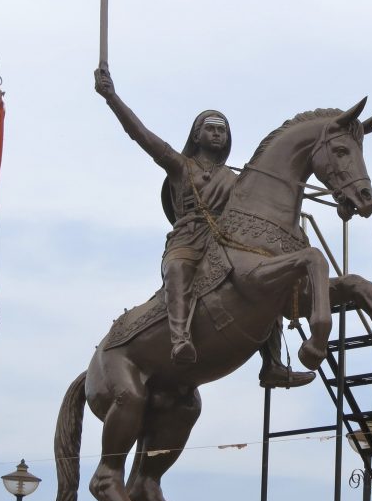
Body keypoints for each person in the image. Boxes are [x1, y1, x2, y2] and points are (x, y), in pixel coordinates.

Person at [95, 67, 314, 387]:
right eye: (210, 129)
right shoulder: (180, 165)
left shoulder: (236, 180)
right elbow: (141, 135)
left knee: (266, 282)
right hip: (187, 239)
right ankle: (180, 338)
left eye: (222, 130)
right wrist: (112, 98)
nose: (217, 134)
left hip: (225, 241)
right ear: (196, 136)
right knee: (177, 270)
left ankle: (272, 363)